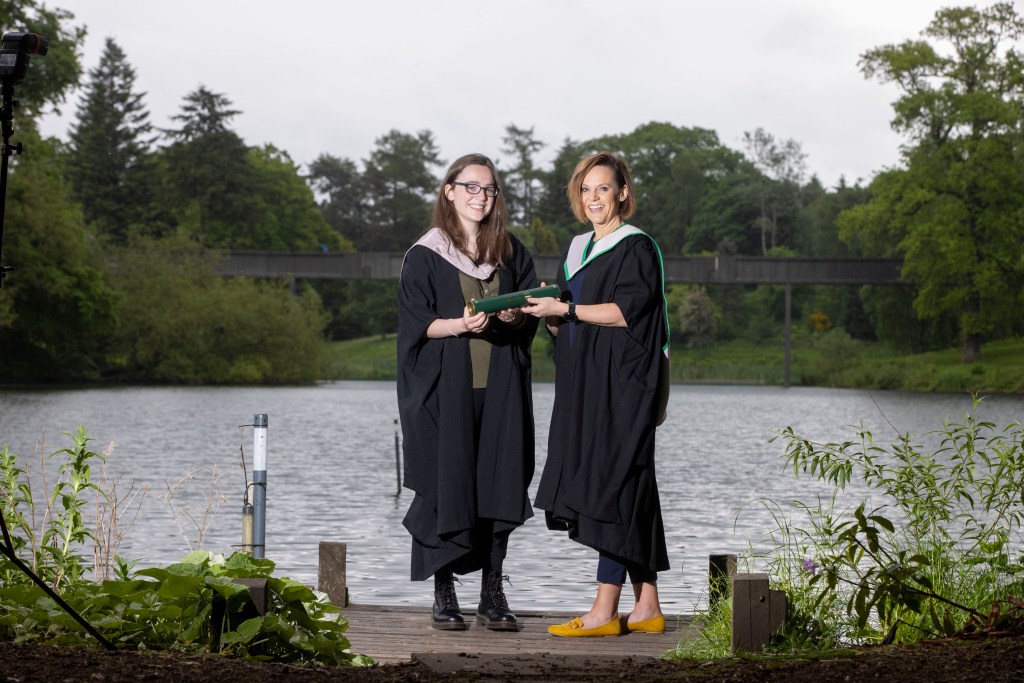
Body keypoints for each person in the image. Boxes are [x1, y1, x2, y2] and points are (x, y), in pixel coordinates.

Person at [522, 152, 670, 637]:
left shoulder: (637, 248)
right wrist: (550, 315)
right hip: (585, 385)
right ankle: (646, 605)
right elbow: (569, 314)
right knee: (632, 484)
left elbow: (627, 313)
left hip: (625, 386)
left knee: (611, 483)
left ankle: (604, 611)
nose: (593, 199)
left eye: (603, 189)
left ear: (622, 193)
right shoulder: (577, 248)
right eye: (585, 190)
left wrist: (569, 310)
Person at [397, 153, 539, 631]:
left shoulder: (511, 252)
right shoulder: (425, 254)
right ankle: (443, 592)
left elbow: (527, 315)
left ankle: (492, 593)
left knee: (500, 485)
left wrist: (515, 316)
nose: (481, 196)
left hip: (500, 392)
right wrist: (461, 323)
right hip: (446, 395)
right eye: (471, 187)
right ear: (449, 191)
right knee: (446, 488)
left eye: (489, 189)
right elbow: (416, 326)